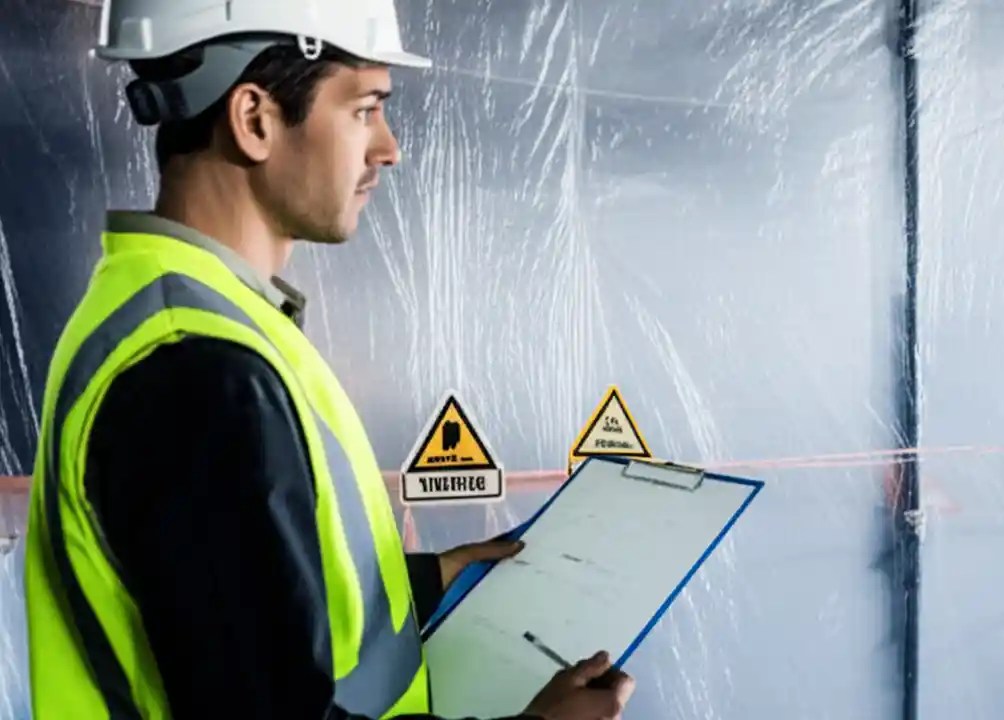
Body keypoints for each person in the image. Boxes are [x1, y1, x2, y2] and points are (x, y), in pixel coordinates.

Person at [22, 1, 634, 719]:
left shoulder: (174, 310)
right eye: (365, 110)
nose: (389, 148)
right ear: (255, 119)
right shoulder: (198, 372)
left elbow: (222, 601)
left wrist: (421, 581)